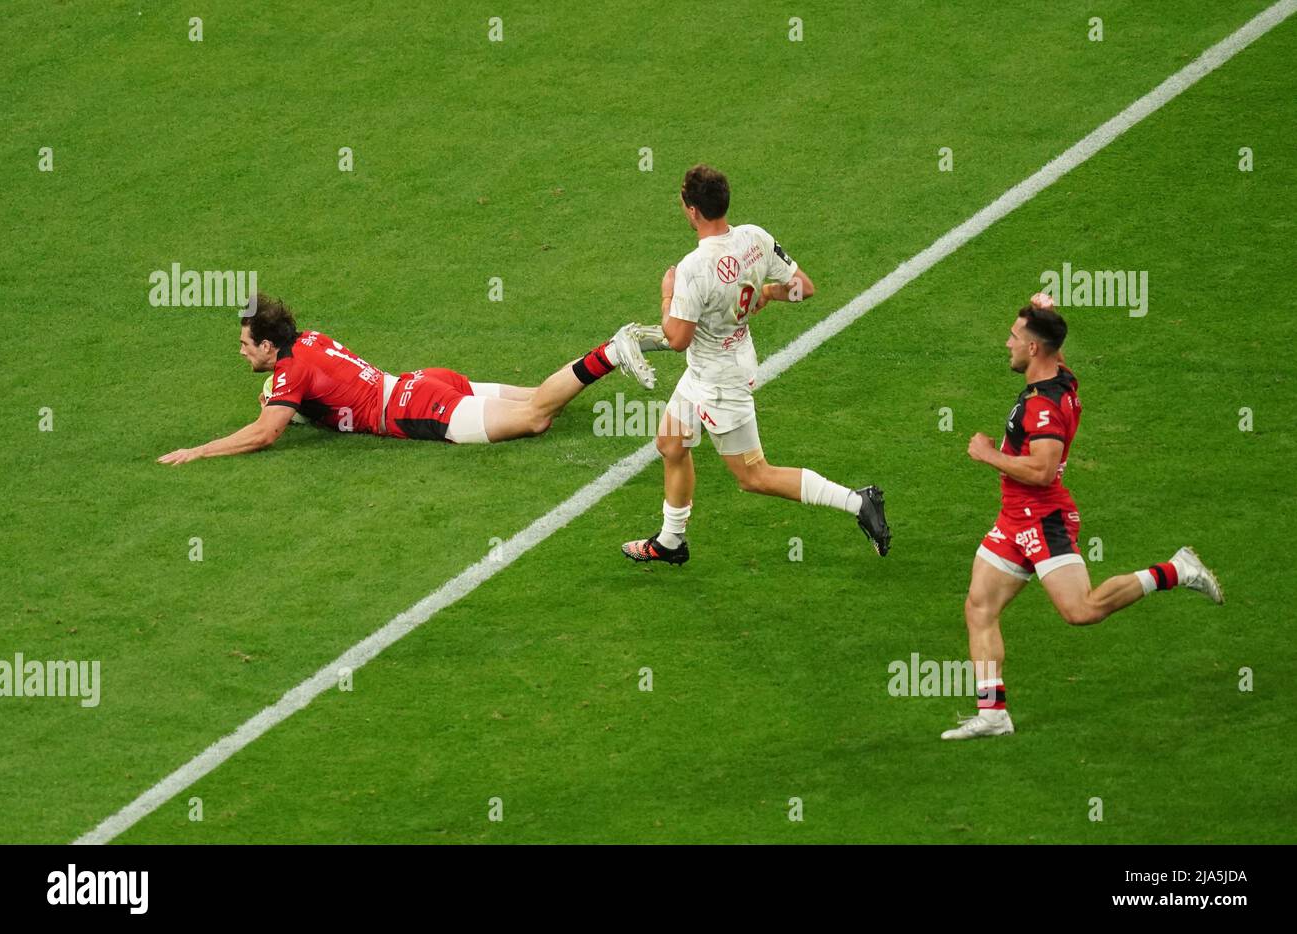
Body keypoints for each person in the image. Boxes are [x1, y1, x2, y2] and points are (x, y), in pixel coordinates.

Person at [944, 293, 1223, 740]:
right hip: (1014, 519)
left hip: (1044, 520)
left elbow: (1042, 470)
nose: (1007, 343)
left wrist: (989, 455)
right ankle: (993, 713)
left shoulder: (1044, 407)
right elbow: (1056, 352)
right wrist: (1047, 313)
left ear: (1034, 349)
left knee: (1082, 611)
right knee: (979, 606)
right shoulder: (1061, 377)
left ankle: (1176, 570)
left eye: (1014, 337)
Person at [621, 164, 890, 564]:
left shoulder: (693, 268)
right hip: (713, 369)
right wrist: (766, 291)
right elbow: (804, 288)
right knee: (670, 443)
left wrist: (666, 296)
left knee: (754, 476)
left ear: (692, 211)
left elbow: (677, 339)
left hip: (719, 383)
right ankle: (671, 541)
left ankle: (857, 501)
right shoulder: (754, 238)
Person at [157, 294, 659, 464]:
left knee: (535, 418)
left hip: (416, 407)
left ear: (269, 346)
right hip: (420, 382)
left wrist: (199, 450)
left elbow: (266, 433)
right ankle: (642, 339)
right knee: (538, 396)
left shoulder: (293, 368)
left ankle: (613, 350)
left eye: (246, 344)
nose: (240, 352)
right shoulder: (307, 339)